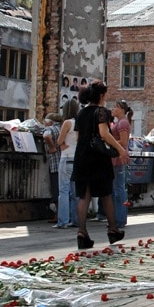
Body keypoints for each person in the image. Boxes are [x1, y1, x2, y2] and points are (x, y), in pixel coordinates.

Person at [72, 80, 128, 249]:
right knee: (106, 193)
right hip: (98, 158)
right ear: (102, 95)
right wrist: (120, 149)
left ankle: (82, 233)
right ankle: (112, 229)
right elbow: (104, 133)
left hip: (81, 156)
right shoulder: (101, 112)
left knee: (84, 195)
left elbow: (77, 137)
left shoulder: (81, 113)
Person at [55, 97, 80, 228]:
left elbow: (59, 141)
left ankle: (63, 221)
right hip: (77, 158)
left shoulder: (67, 123)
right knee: (75, 192)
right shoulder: (80, 122)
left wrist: (63, 144)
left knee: (63, 191)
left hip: (66, 157)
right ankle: (76, 220)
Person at [110, 100, 132, 227]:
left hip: (119, 157)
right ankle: (118, 217)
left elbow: (123, 142)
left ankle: (120, 218)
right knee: (117, 188)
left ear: (122, 110)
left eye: (116, 107)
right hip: (116, 157)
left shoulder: (123, 122)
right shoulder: (120, 122)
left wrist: (108, 141)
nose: (113, 109)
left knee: (119, 189)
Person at [42, 112, 63, 221]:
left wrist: (51, 147)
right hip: (63, 162)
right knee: (63, 190)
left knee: (56, 190)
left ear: (50, 122)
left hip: (54, 163)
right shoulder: (62, 129)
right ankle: (64, 215)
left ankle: (58, 215)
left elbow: (46, 135)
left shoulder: (51, 129)